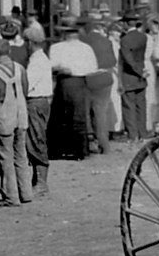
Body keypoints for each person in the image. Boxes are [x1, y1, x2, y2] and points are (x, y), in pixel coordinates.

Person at [0, 38, 34, 207]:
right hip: (21, 115)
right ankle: (26, 193)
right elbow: (25, 90)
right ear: (9, 51)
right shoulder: (20, 69)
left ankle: (11, 197)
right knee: (21, 155)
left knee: (5, 157)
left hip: (3, 117)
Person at [47, 17, 97, 161]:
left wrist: (66, 69)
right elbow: (92, 68)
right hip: (74, 82)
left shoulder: (58, 48)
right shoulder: (84, 48)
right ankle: (79, 151)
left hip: (70, 82)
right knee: (75, 116)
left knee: (65, 117)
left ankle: (66, 150)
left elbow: (52, 65)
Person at [22, 23, 53, 196]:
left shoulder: (37, 61)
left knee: (36, 139)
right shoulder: (38, 59)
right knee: (34, 138)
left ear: (29, 43)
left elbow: (28, 85)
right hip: (38, 102)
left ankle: (41, 183)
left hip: (35, 102)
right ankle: (37, 179)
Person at [80, 14, 118, 154]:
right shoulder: (106, 41)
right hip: (104, 78)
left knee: (86, 112)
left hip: (88, 78)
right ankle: (104, 144)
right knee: (101, 113)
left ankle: (89, 143)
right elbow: (112, 62)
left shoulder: (83, 41)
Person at [118, 11, 148, 143]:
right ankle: (143, 134)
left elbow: (128, 60)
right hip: (141, 78)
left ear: (125, 23)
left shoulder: (124, 40)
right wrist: (142, 72)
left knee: (129, 107)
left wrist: (138, 71)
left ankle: (132, 135)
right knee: (141, 106)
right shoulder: (143, 37)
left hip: (129, 76)